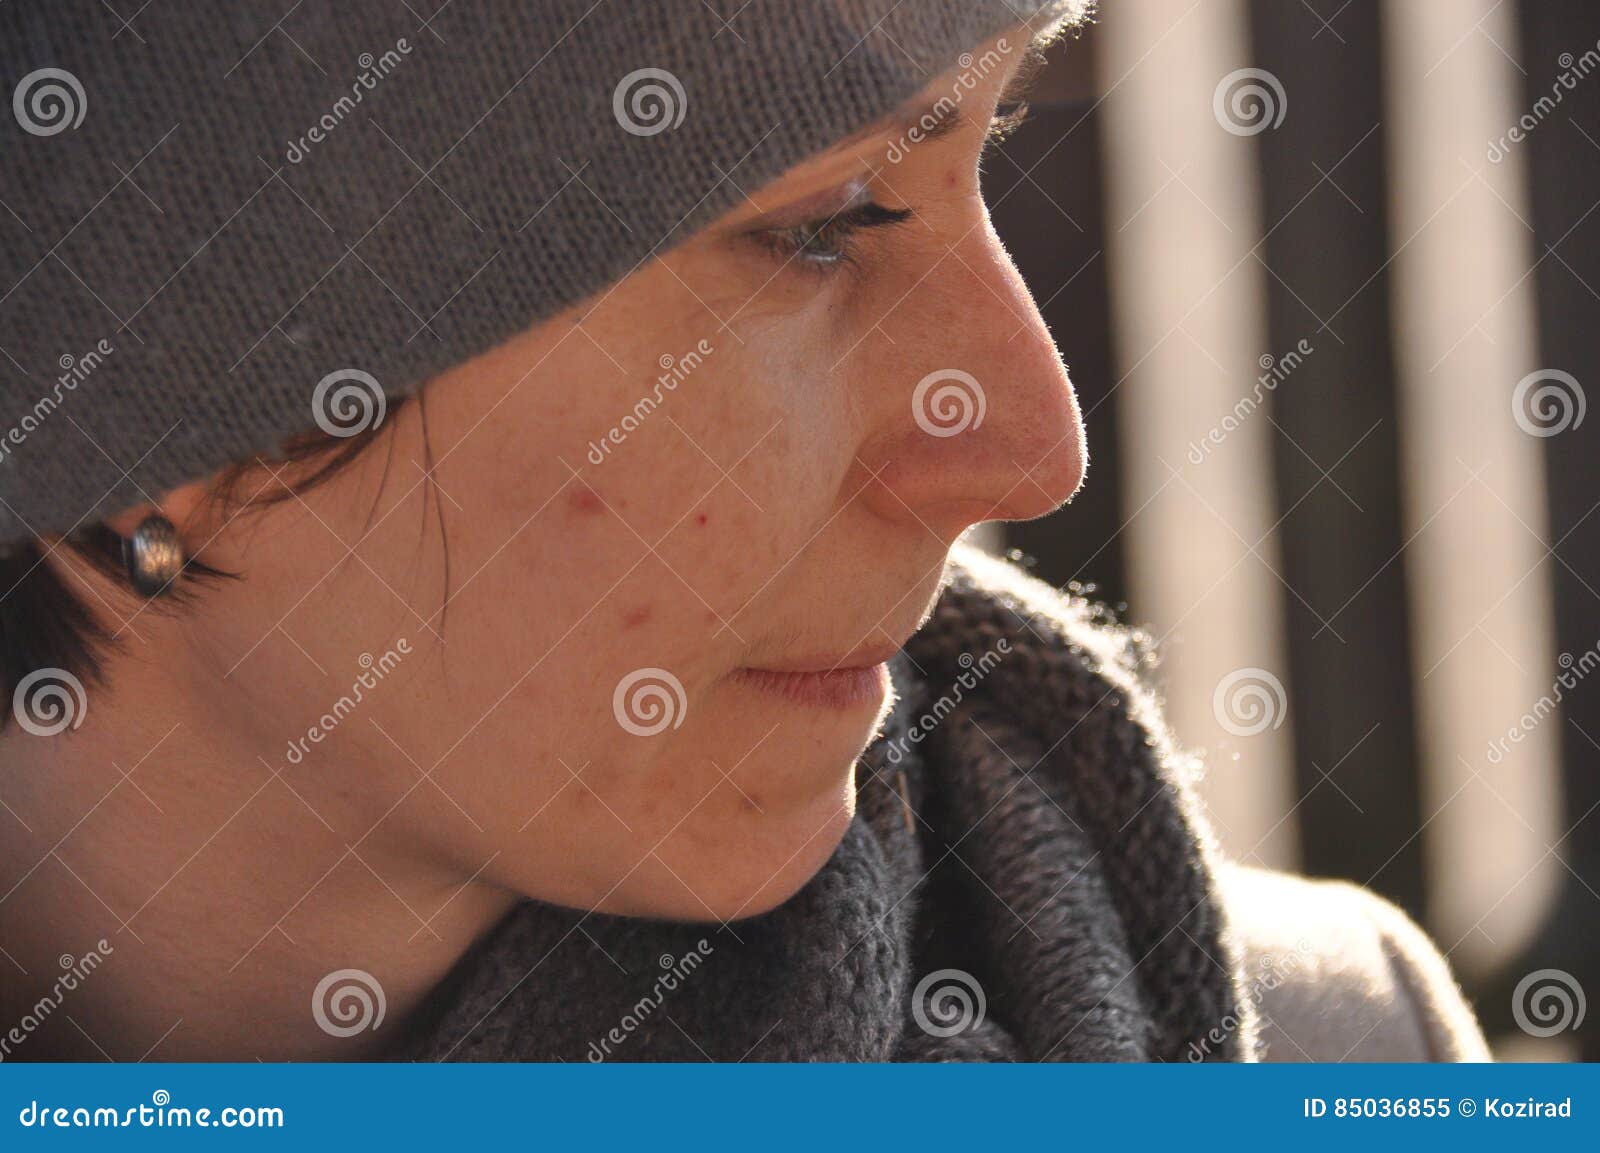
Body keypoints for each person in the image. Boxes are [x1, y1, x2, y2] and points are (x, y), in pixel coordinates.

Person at [0, 1, 1485, 1061]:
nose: (1036, 450)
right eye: (822, 225)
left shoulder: (1323, 1050)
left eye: (989, 157)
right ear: (170, 408)